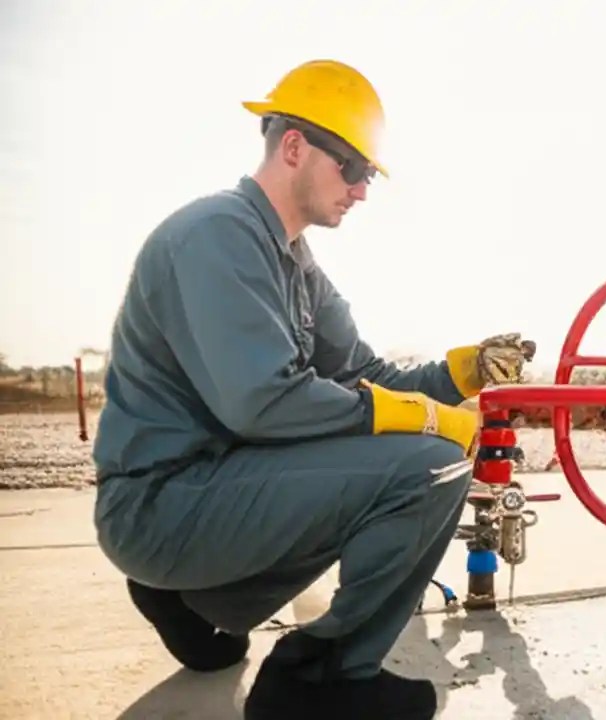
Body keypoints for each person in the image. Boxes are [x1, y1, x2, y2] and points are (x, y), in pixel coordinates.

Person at [91, 59, 533, 719]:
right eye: (352, 168)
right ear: (294, 146)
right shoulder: (215, 235)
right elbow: (262, 401)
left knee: (387, 461)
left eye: (368, 177)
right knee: (428, 469)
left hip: (213, 489)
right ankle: (319, 681)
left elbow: (370, 378)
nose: (361, 191)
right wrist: (424, 422)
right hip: (159, 503)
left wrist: (457, 373)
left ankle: (196, 605)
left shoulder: (297, 265)